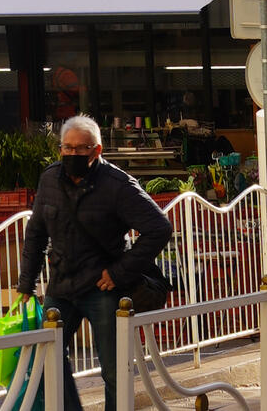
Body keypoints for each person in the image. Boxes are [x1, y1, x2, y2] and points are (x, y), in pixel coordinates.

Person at [16, 115, 172, 411]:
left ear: (97, 150)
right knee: (47, 358)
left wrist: (119, 271)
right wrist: (27, 282)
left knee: (114, 369)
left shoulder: (117, 185)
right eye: (67, 148)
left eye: (80, 149)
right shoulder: (49, 178)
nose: (72, 154)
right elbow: (35, 231)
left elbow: (159, 228)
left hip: (103, 287)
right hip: (62, 284)